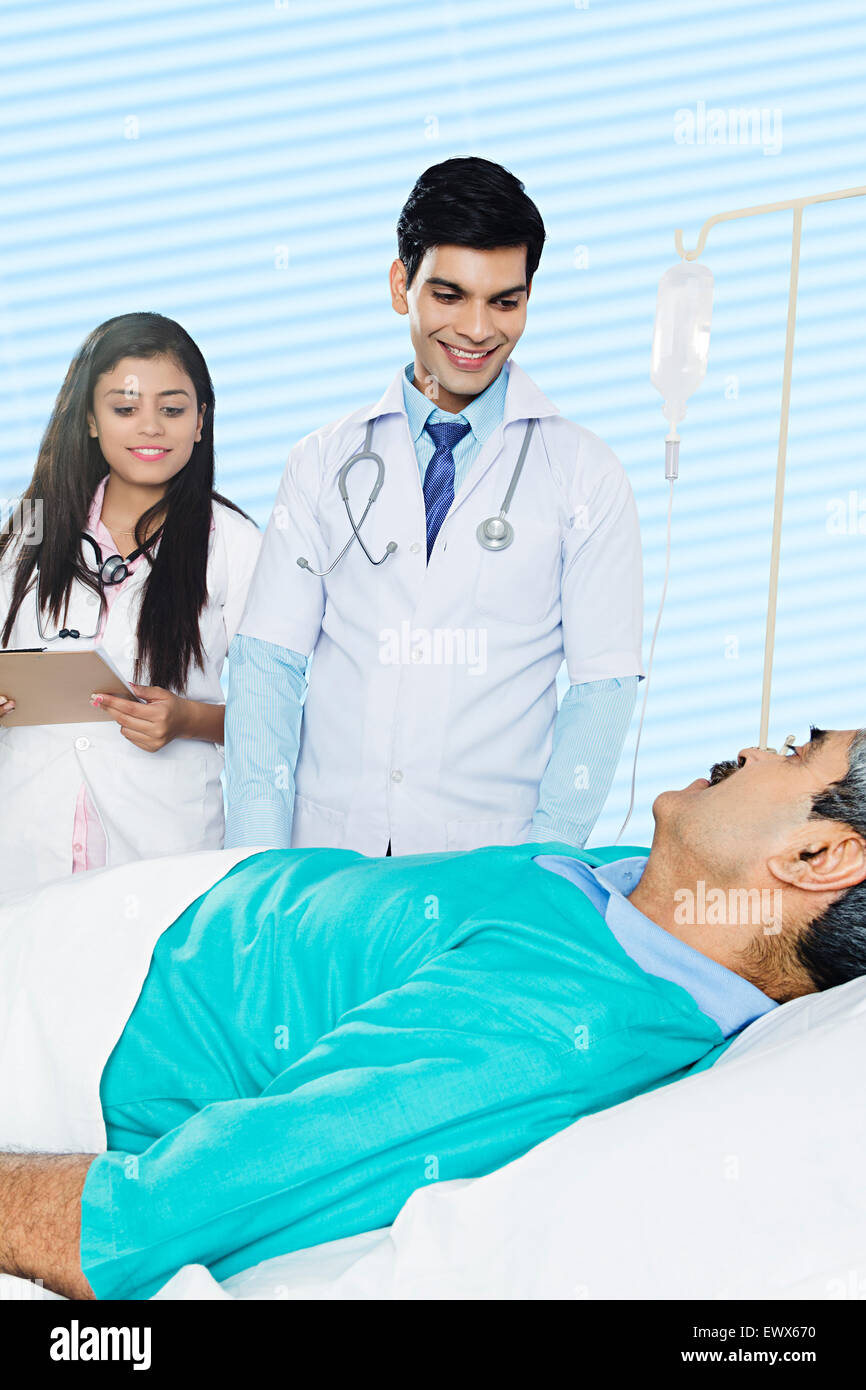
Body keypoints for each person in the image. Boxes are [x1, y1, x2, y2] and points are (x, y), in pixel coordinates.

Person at [2, 724, 864, 1301]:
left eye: (797, 752)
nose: (755, 749)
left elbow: (133, 1227)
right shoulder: (645, 891)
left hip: (70, 1006)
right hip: (111, 915)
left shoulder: (553, 1031)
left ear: (822, 855)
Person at [224, 157, 644, 857]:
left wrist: (544, 863)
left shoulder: (585, 475)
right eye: (449, 295)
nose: (478, 330)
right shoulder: (324, 461)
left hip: (486, 864)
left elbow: (602, 686)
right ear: (401, 285)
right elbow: (269, 666)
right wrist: (255, 867)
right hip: (327, 855)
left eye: (505, 302)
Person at [0, 312, 262, 890]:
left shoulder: (234, 545)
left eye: (172, 410)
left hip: (164, 849)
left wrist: (188, 718)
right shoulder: (31, 531)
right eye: (125, 409)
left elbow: (284, 713)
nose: (151, 428)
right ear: (91, 421)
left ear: (201, 422)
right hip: (25, 839)